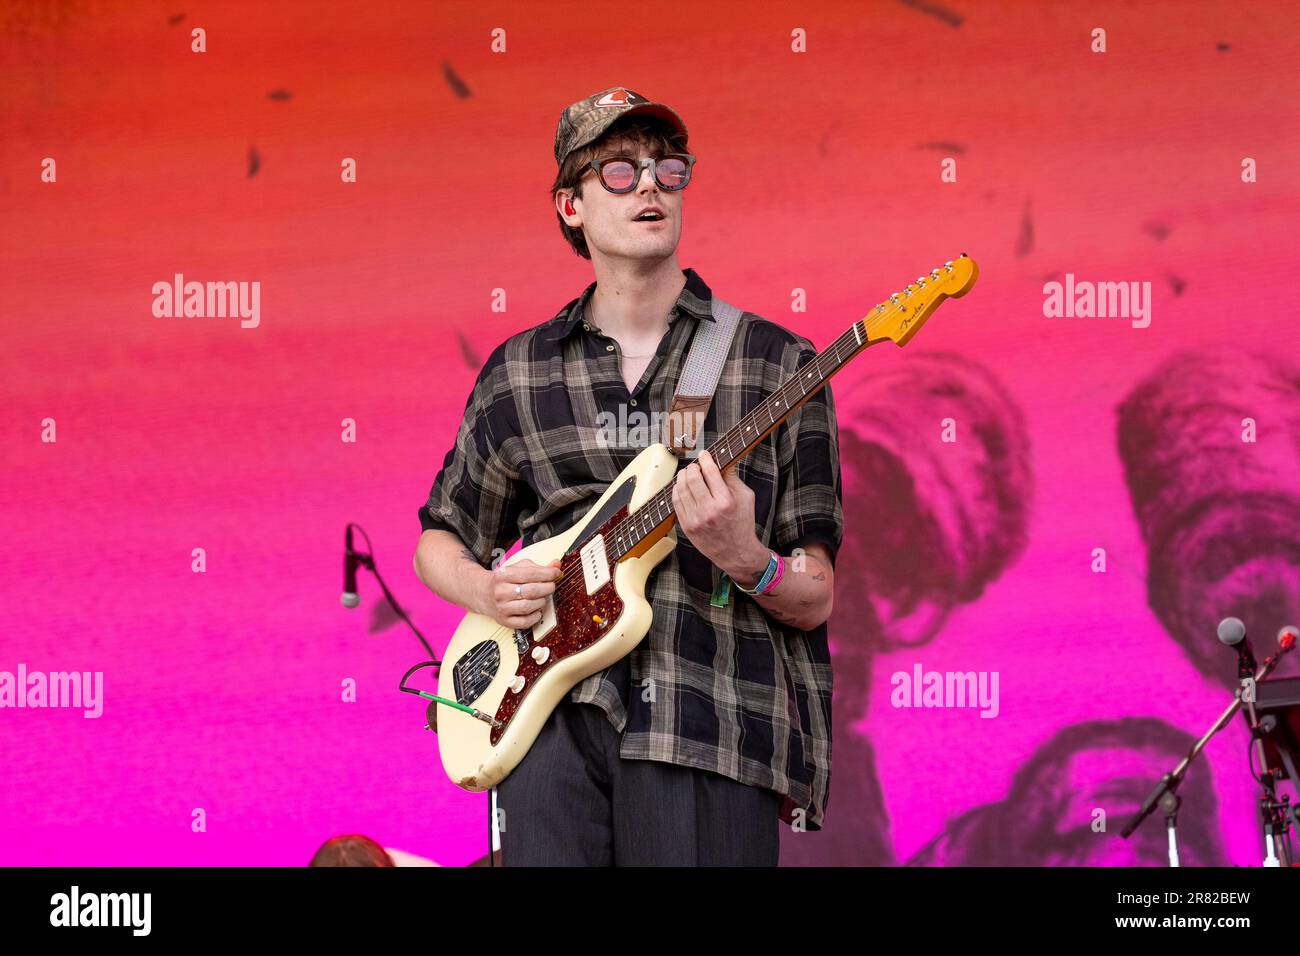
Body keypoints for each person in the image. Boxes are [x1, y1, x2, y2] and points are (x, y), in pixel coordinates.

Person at [413, 87, 844, 866]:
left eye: (666, 168)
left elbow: (816, 596)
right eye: (618, 171)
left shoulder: (776, 363)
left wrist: (749, 558)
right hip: (541, 715)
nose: (649, 184)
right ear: (569, 205)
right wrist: (484, 591)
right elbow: (440, 538)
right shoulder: (520, 371)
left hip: (706, 718)